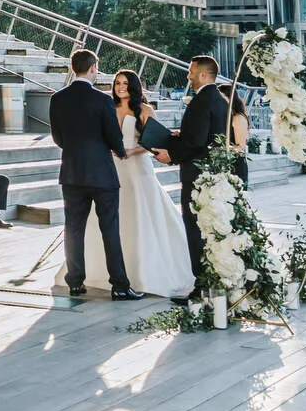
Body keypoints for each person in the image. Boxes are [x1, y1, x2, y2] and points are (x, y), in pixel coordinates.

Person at [60, 69, 195, 301]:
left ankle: (141, 273)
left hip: (136, 167)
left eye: (125, 83)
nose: (121, 87)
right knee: (110, 222)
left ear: (134, 86)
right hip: (107, 167)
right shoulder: (106, 105)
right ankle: (105, 275)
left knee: (138, 213)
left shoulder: (144, 109)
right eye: (117, 83)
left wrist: (132, 150)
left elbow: (153, 140)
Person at [50, 48, 144, 301]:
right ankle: (120, 286)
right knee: (110, 229)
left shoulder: (57, 99)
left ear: (72, 69)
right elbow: (113, 136)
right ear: (93, 68)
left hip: (71, 173)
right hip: (102, 173)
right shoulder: (102, 100)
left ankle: (75, 283)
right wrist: (120, 151)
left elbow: (58, 138)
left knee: (74, 229)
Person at [174, 54, 250, 295]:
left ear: (203, 74)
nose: (188, 75)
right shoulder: (220, 100)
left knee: (195, 229)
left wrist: (171, 154)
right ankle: (210, 281)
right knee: (206, 229)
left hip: (196, 175)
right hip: (210, 174)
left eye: (191, 71)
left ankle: (202, 284)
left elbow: (195, 141)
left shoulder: (201, 100)